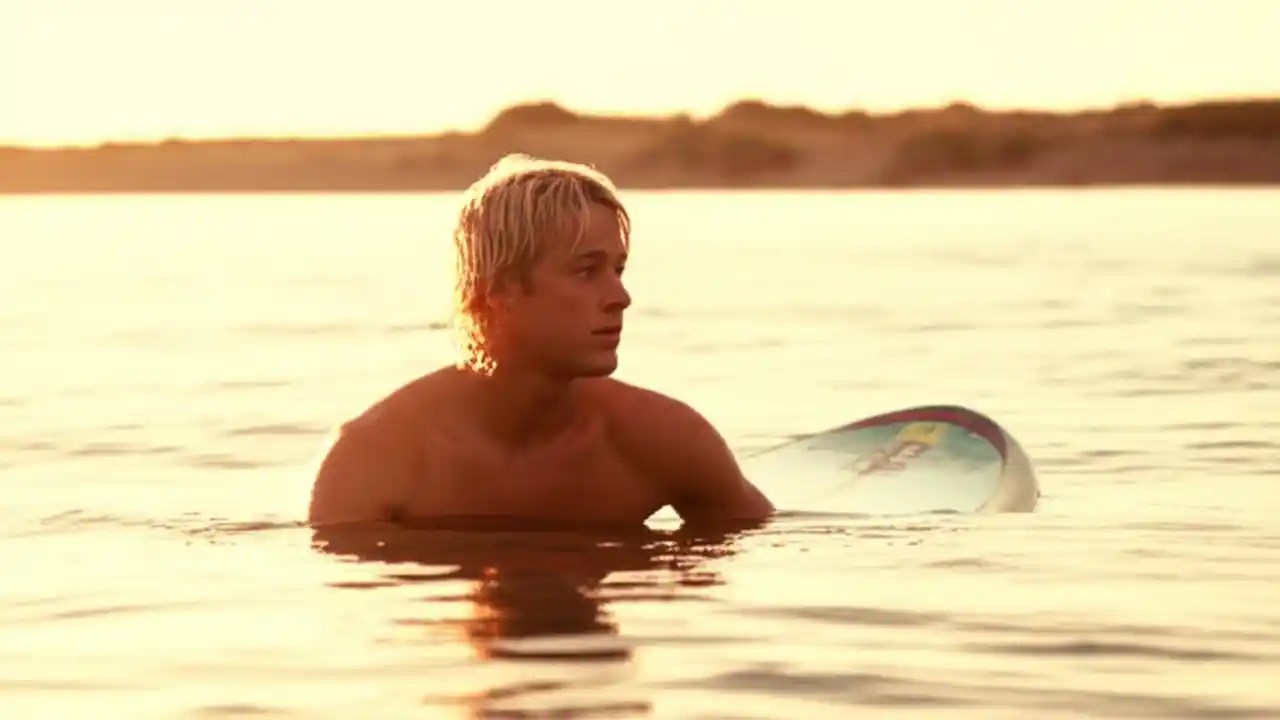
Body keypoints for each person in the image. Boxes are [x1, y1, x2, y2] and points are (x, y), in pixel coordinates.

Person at [306, 154, 774, 529]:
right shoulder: (375, 459)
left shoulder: (666, 441)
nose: (621, 297)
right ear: (503, 290)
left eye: (618, 270)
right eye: (586, 271)